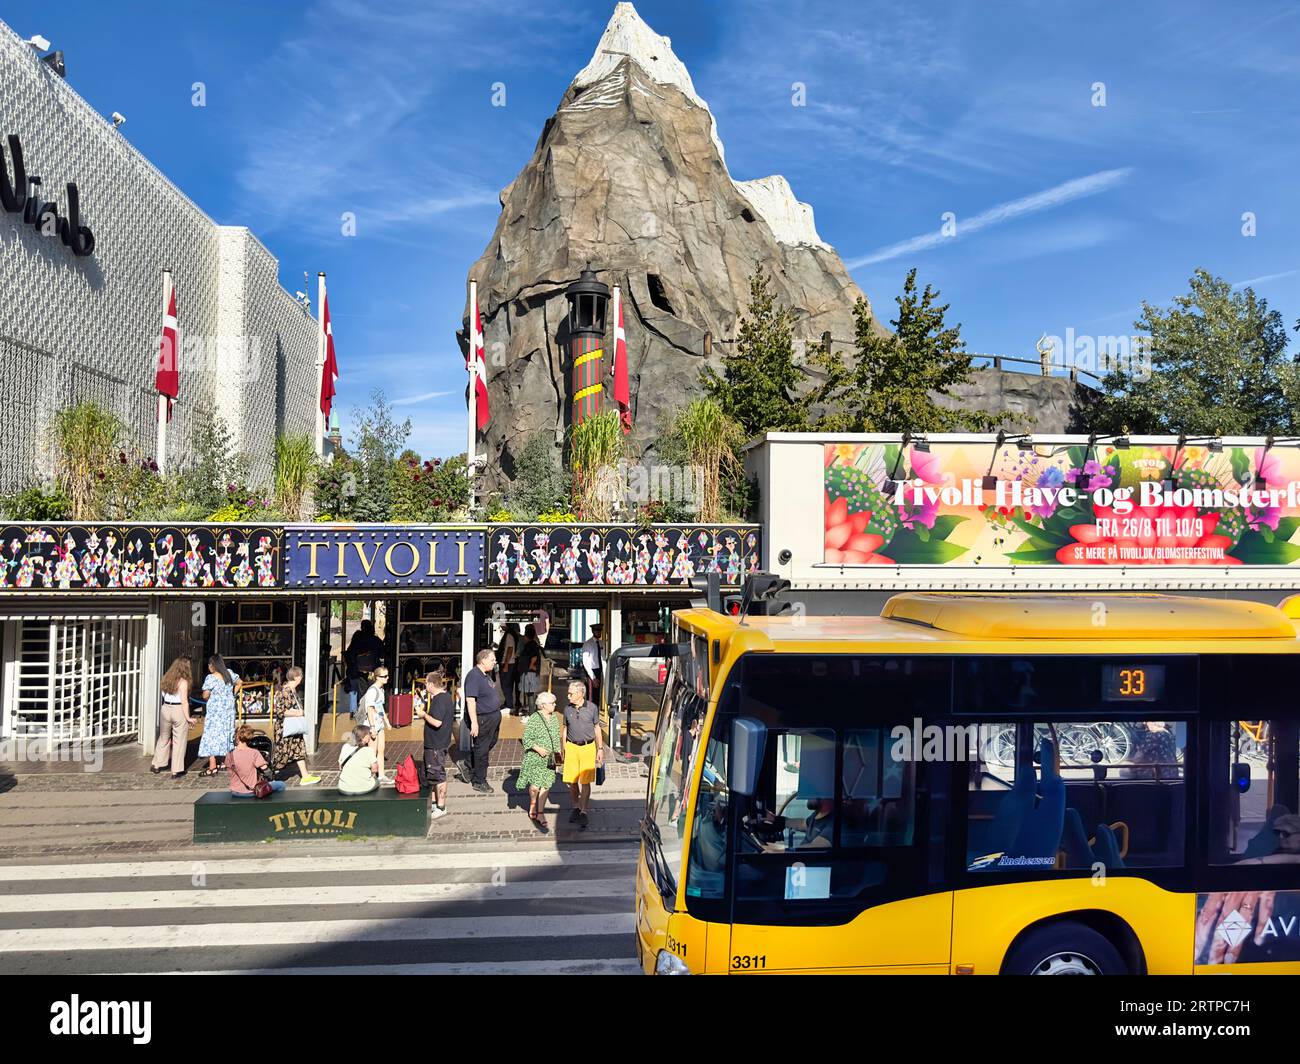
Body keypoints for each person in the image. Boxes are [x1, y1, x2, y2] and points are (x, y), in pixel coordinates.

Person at [517, 691, 562, 831]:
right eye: (552, 703)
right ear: (543, 705)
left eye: (554, 702)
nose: (555, 705)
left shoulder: (554, 718)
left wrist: (558, 753)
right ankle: (532, 802)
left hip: (550, 759)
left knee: (546, 784)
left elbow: (555, 736)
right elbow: (526, 739)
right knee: (535, 787)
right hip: (536, 758)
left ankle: (540, 812)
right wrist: (538, 749)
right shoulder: (535, 719)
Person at [562, 679, 604, 830]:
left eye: (570, 693)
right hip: (572, 747)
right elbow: (565, 729)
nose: (568, 696)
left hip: (588, 747)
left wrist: (600, 749)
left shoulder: (592, 708)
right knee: (572, 780)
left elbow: (597, 728)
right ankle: (576, 807)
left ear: (580, 694)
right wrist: (564, 748)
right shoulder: (567, 709)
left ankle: (584, 811)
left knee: (585, 781)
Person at [273, 666, 321, 786]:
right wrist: (298, 713)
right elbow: (279, 711)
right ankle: (270, 776)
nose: (301, 678)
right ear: (296, 677)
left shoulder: (293, 691)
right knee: (282, 754)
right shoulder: (284, 691)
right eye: (300, 676)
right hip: (285, 729)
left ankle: (305, 776)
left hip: (294, 728)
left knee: (299, 750)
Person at [462, 648, 500, 792]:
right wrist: (474, 723)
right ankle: (479, 780)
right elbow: (470, 701)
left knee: (490, 743)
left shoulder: (485, 674)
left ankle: (467, 764)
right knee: (482, 750)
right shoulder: (474, 676)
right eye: (492, 660)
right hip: (482, 718)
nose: (495, 662)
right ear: (483, 661)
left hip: (493, 717)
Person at [417, 668, 454, 819]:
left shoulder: (440, 700)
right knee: (430, 775)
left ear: (432, 684)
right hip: (435, 743)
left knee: (437, 774)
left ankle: (441, 806)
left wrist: (423, 714)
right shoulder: (444, 698)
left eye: (426, 683)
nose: (425, 685)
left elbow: (437, 722)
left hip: (436, 745)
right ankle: (433, 804)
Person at [151, 657, 195, 779]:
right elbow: (184, 702)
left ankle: (157, 764)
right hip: (178, 709)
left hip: (165, 708)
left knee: (163, 737)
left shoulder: (166, 678)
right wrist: (188, 718)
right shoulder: (183, 682)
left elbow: (163, 694)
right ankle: (176, 770)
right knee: (179, 740)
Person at [198, 654, 240, 777]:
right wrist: (232, 694)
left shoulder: (210, 678)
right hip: (228, 711)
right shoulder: (229, 673)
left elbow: (205, 695)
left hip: (215, 712)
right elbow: (239, 682)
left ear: (213, 665)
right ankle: (225, 761)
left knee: (211, 735)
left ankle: (212, 764)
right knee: (226, 734)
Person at [227, 723, 285, 797]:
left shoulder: (230, 754)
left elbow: (230, 772)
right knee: (281, 785)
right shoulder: (254, 752)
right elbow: (266, 770)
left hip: (234, 791)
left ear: (237, 737)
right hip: (251, 791)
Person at [344, 618, 385, 718]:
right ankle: (371, 711)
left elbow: (351, 654)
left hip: (357, 671)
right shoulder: (376, 640)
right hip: (373, 671)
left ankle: (354, 711)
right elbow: (382, 654)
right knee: (373, 691)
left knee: (355, 691)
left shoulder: (357, 640)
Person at [360, 666, 390, 783]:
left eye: (387, 675)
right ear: (377, 677)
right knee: (372, 752)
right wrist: (372, 727)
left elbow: (379, 707)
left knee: (381, 750)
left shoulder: (381, 689)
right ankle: (370, 776)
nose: (387, 678)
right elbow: (370, 708)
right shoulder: (372, 690)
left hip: (379, 723)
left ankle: (381, 775)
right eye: (384, 676)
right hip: (371, 724)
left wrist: (386, 721)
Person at [338, 724, 380, 796]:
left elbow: (340, 766)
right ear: (365, 736)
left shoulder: (345, 746)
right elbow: (375, 769)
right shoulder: (368, 750)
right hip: (364, 787)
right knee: (377, 781)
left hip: (344, 788)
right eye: (369, 733)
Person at [516, 624, 543, 715]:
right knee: (529, 694)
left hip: (529, 673)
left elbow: (534, 657)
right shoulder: (532, 644)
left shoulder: (531, 645)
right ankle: (530, 711)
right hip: (529, 672)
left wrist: (531, 666)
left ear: (526, 635)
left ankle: (531, 714)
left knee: (530, 694)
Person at [496, 623, 520, 712]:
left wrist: (506, 664)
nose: (501, 625)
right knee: (508, 684)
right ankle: (507, 702)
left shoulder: (509, 635)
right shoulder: (511, 634)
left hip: (508, 663)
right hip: (510, 663)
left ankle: (509, 705)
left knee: (505, 685)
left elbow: (510, 649)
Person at [581, 623, 604, 703]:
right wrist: (593, 677)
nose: (599, 632)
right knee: (591, 695)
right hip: (591, 671)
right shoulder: (588, 644)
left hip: (599, 670)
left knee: (597, 695)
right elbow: (586, 662)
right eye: (597, 630)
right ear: (593, 631)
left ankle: (596, 712)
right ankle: (590, 713)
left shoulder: (601, 643)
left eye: (600, 630)